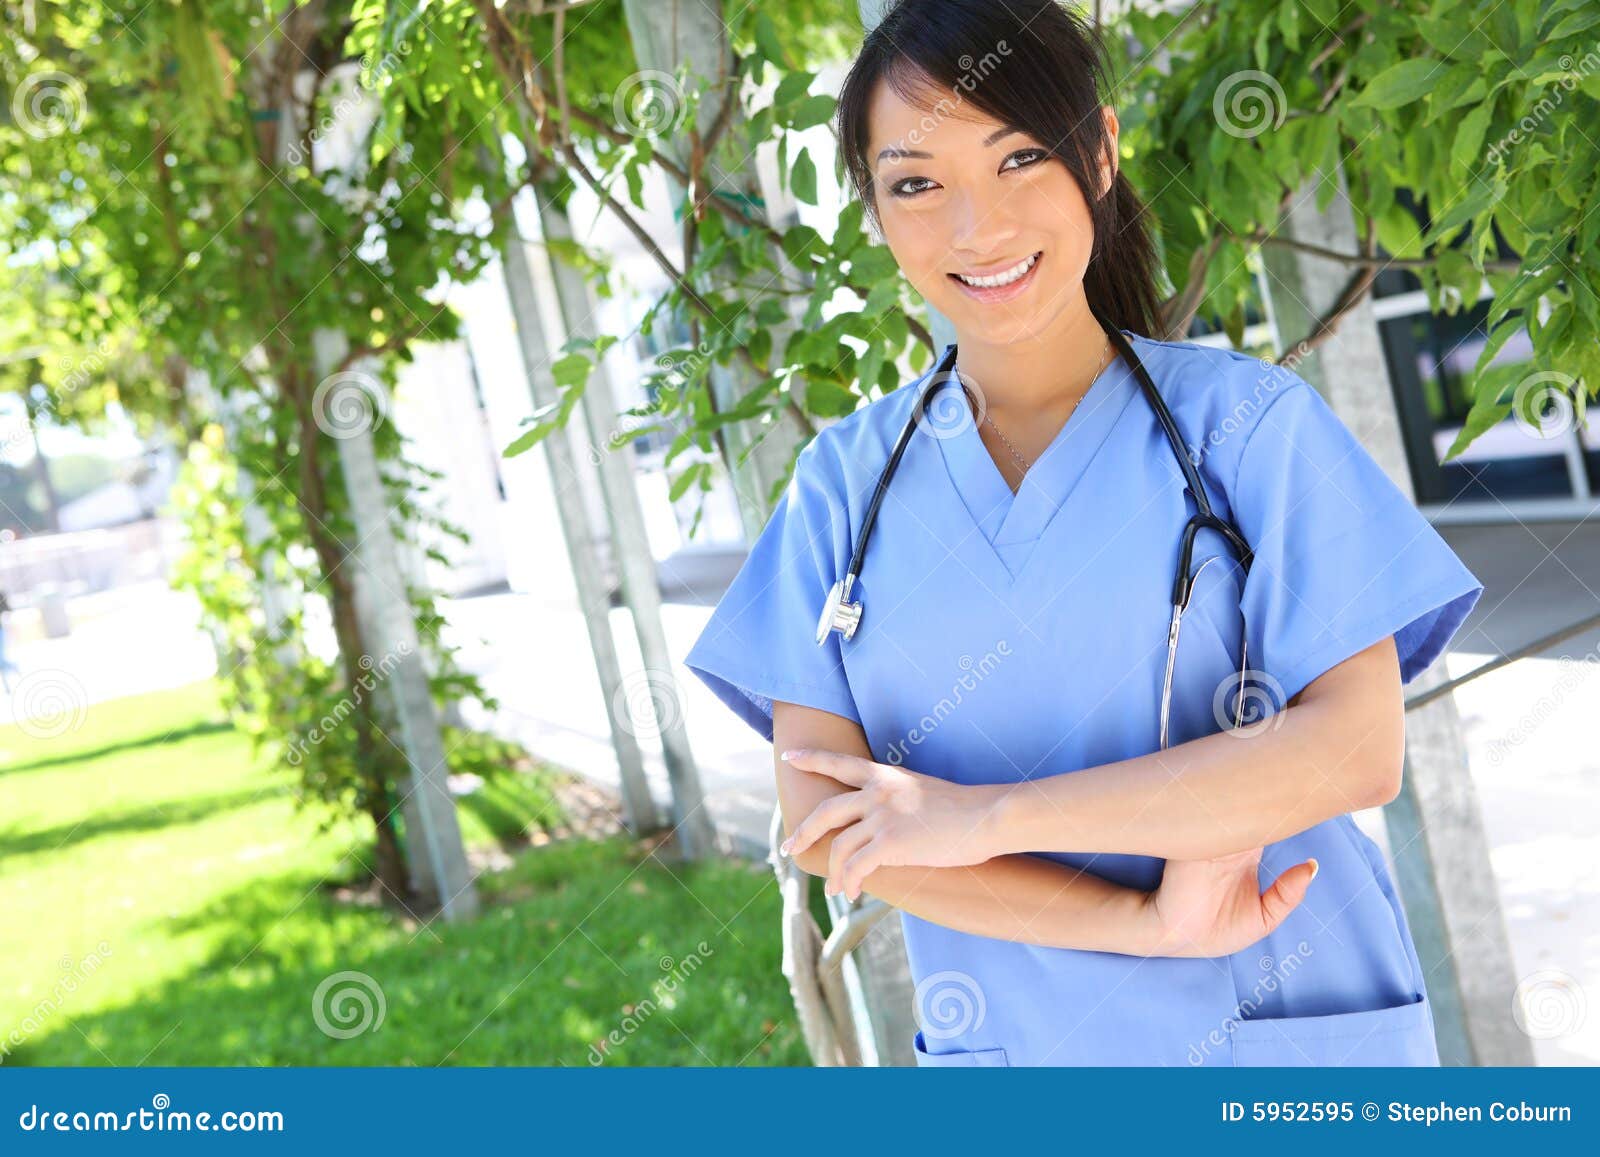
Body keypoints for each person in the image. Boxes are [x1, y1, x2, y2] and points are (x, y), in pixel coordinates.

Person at [683, 0, 1483, 1067]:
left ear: (1099, 154)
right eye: (916, 181)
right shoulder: (840, 487)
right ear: (876, 211)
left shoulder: (1245, 427)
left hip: (1287, 1030)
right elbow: (836, 830)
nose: (976, 225)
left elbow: (1352, 748)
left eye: (1018, 157)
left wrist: (977, 816)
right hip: (1015, 1049)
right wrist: (1143, 924)